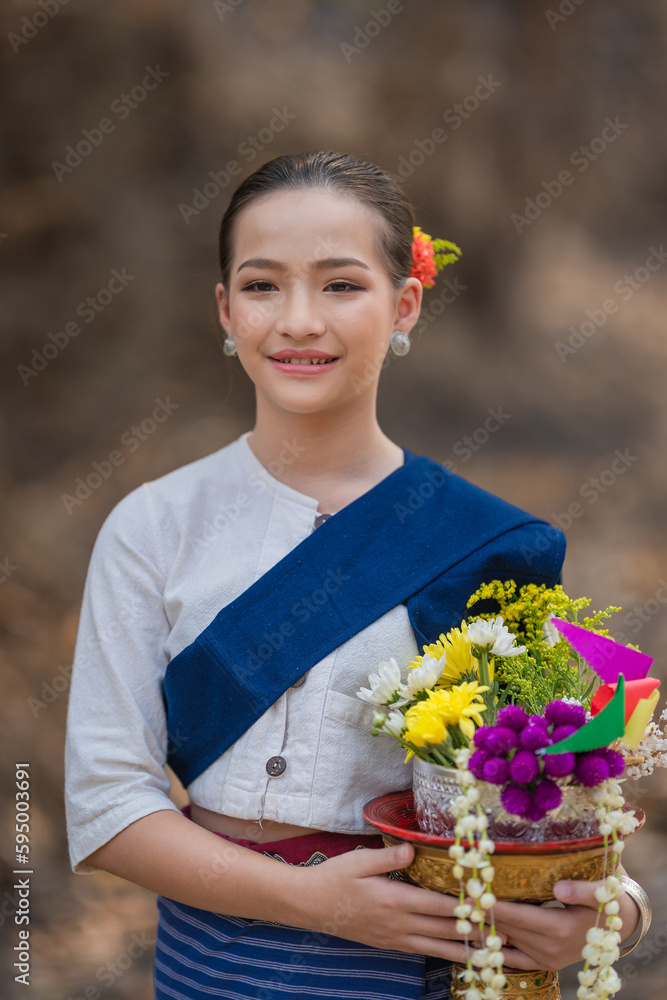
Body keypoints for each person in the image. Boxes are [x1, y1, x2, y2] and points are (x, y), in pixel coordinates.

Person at [64, 150, 644, 1000]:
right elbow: (108, 805)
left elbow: (550, 794)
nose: (299, 320)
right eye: (262, 286)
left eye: (341, 285)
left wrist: (616, 913)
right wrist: (312, 904)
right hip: (213, 972)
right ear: (225, 311)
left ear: (403, 304)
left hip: (417, 969)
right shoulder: (155, 527)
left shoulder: (483, 543)